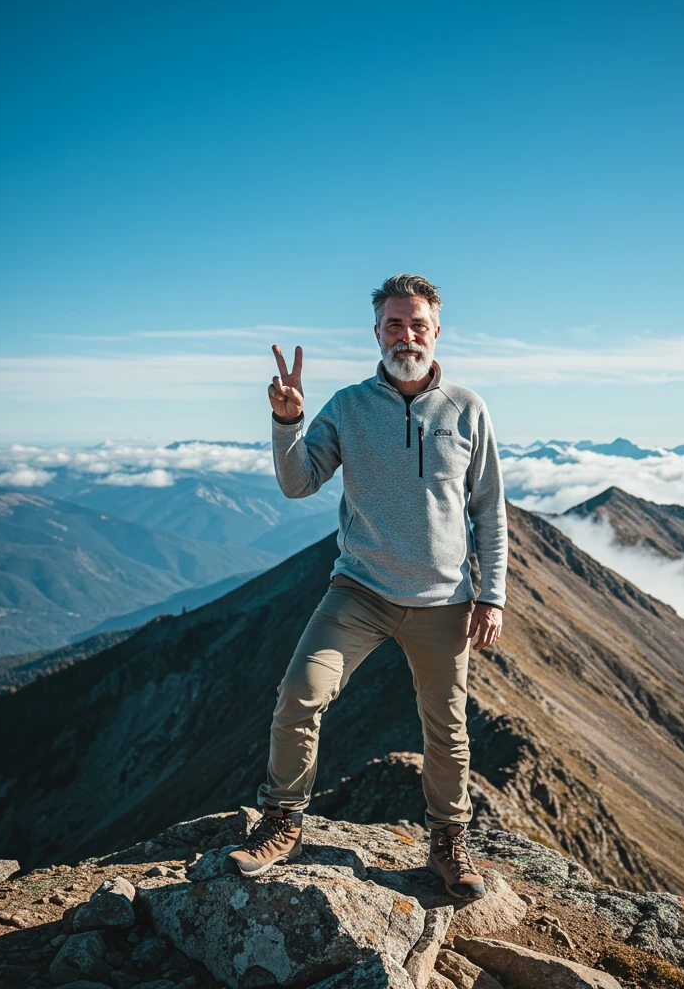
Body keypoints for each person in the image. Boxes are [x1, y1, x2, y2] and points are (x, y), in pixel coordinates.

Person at [229, 273, 508, 900]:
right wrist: (287, 420)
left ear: (437, 332)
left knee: (448, 727)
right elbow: (299, 483)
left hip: (444, 601)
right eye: (393, 325)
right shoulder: (350, 407)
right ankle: (282, 821)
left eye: (417, 325)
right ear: (376, 332)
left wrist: (493, 594)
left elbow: (488, 507)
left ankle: (448, 841)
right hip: (360, 592)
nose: (405, 336)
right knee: (300, 691)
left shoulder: (468, 408)